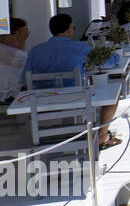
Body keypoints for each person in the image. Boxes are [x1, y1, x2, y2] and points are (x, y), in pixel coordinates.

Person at [23, 14, 119, 147]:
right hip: (76, 100)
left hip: (42, 102)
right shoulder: (80, 47)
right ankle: (102, 136)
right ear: (68, 30)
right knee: (113, 97)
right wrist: (115, 56)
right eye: (73, 27)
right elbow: (108, 62)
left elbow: (24, 79)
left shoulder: (35, 51)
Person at [0, 18, 31, 102]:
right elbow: (17, 63)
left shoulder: (9, 44)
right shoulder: (2, 47)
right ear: (18, 31)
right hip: (6, 91)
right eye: (26, 29)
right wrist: (22, 41)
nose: (28, 32)